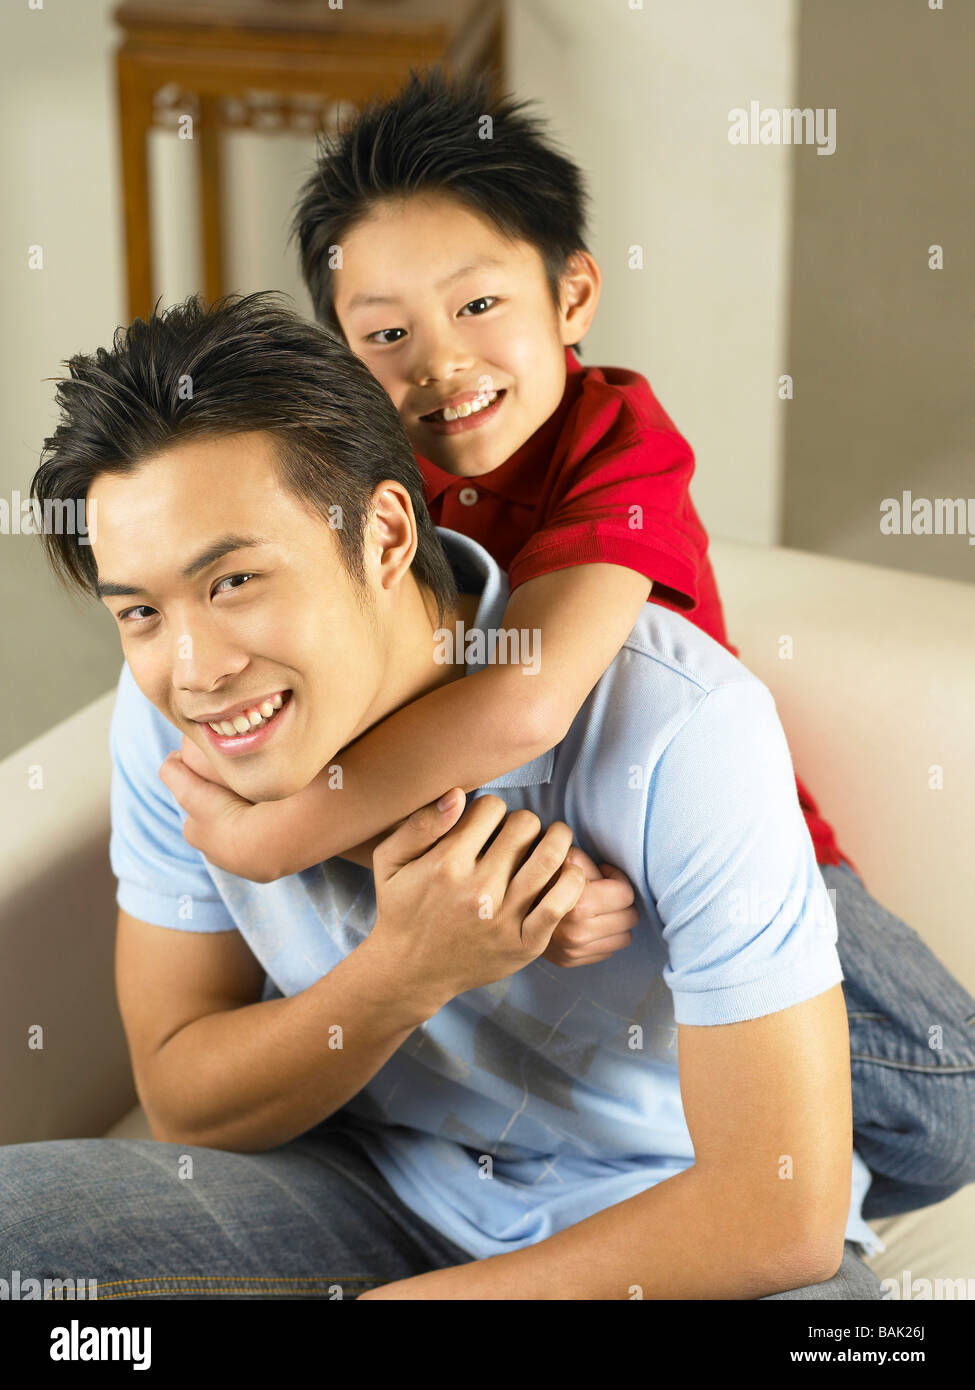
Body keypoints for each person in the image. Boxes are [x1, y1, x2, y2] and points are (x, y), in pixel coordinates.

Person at [163, 67, 975, 1224]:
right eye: (385, 333)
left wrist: (273, 834)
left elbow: (524, 706)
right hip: (507, 853)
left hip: (707, 853)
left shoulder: (619, 445)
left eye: (479, 306)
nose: (442, 364)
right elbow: (373, 700)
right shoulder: (369, 490)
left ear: (573, 294)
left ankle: (731, 1149)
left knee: (946, 1111)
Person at [7, 291, 888, 1299]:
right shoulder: (170, 709)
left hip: (660, 1217)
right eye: (141, 611)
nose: (195, 668)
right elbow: (185, 1101)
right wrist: (405, 969)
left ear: (383, 533)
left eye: (235, 582)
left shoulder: (683, 724)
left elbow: (778, 1212)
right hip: (368, 1185)